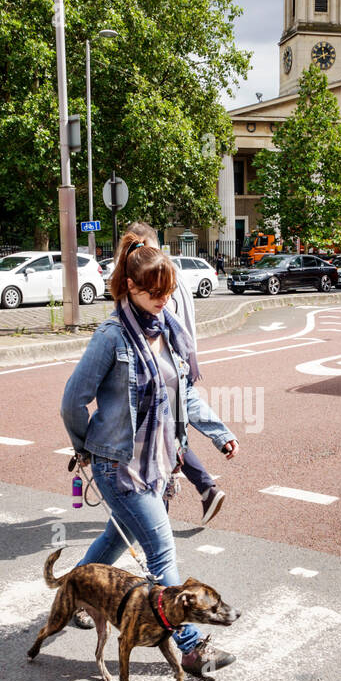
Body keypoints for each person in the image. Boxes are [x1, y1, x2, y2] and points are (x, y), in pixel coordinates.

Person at [61, 228, 240, 677]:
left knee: (117, 538)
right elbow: (73, 400)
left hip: (157, 462)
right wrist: (89, 450)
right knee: (161, 549)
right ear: (131, 287)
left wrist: (219, 434)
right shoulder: (111, 337)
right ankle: (193, 646)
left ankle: (74, 593)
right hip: (118, 467)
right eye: (154, 292)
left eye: (167, 291)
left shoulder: (168, 333)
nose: (163, 300)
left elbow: (184, 395)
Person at [127, 223, 227, 525]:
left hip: (166, 368)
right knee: (172, 438)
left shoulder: (147, 287)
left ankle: (199, 491)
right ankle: (202, 489)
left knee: (166, 443)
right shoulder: (177, 277)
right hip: (183, 362)